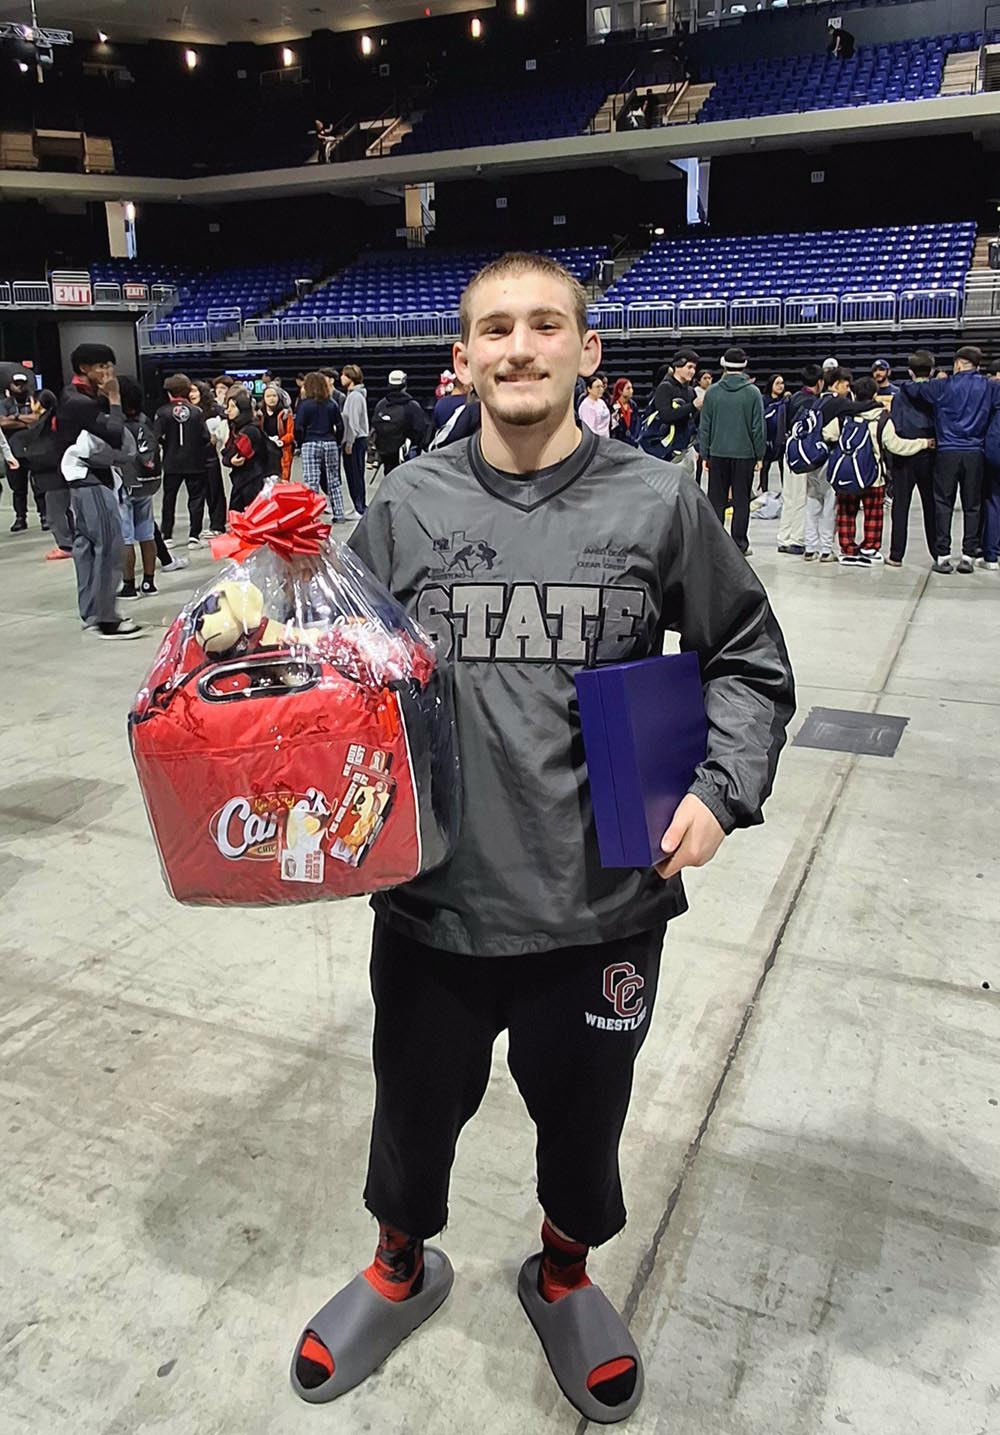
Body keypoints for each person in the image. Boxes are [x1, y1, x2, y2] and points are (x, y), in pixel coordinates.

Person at [289, 250, 795, 1425]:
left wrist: (719, 791)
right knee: (410, 1109)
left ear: (586, 350)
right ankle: (398, 1267)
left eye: (544, 325)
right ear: (460, 358)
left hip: (601, 904)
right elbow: (335, 674)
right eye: (494, 329)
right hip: (434, 900)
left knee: (585, 1123)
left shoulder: (659, 499)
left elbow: (747, 663)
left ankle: (562, 1276)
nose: (519, 347)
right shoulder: (404, 506)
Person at [56, 344, 142, 640]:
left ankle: (91, 612)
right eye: (100, 367)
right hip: (89, 479)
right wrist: (115, 398)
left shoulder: (82, 397)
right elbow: (115, 432)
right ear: (83, 369)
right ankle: (106, 618)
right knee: (109, 545)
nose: (108, 373)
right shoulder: (78, 401)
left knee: (86, 547)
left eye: (110, 365)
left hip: (84, 480)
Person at [899, 345, 996, 574]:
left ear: (958, 364)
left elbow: (912, 388)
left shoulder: (943, 385)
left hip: (947, 451)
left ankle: (943, 556)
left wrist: (927, 377)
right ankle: (968, 555)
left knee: (943, 503)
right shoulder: (989, 387)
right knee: (972, 505)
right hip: (975, 451)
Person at [699, 346, 765, 556]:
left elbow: (705, 425)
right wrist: (759, 454)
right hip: (745, 454)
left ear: (723, 365)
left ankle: (715, 544)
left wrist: (705, 453)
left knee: (716, 500)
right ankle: (739, 544)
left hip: (717, 452)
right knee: (741, 501)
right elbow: (758, 427)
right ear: (744, 366)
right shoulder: (753, 393)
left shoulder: (713, 392)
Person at [885, 351, 938, 568]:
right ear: (932, 371)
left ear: (909, 371)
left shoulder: (899, 395)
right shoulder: (937, 394)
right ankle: (938, 553)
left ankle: (896, 554)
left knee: (900, 506)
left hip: (904, 455)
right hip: (930, 454)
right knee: (931, 506)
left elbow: (895, 424)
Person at [154, 373, 212, 549]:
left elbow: (155, 437)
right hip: (195, 462)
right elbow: (205, 437)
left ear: (169, 393)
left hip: (172, 462)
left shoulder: (162, 412)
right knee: (196, 498)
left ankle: (167, 536)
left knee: (169, 498)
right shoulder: (197, 412)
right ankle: (194, 536)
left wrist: (167, 444)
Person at [117, 377, 161, 600]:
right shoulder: (146, 421)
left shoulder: (116, 423)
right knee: (146, 532)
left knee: (126, 536)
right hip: (148, 481)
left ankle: (128, 585)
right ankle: (149, 582)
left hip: (125, 483)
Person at [777, 363, 824, 555]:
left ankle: (784, 536)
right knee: (801, 497)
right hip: (803, 455)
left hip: (788, 452)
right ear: (820, 382)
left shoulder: (791, 398)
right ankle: (796, 539)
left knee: (789, 496)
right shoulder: (812, 402)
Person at [21, 389, 72, 560]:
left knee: (55, 513)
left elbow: (45, 450)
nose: (29, 405)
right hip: (58, 473)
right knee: (65, 510)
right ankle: (71, 542)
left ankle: (66, 545)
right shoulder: (51, 420)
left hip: (54, 475)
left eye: (32, 401)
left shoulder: (48, 424)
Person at [294, 371, 345, 520]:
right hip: (330, 442)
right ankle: (339, 513)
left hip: (310, 442)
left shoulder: (305, 405)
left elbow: (298, 427)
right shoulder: (332, 404)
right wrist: (337, 440)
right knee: (333, 480)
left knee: (312, 481)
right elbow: (340, 425)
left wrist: (301, 442)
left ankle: (313, 515)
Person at [2, 369, 44, 533]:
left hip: (34, 448)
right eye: (16, 384)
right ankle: (20, 518)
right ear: (11, 385)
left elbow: (38, 420)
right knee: (17, 487)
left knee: (39, 485)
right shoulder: (4, 404)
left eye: (22, 384)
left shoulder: (35, 400)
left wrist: (15, 418)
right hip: (14, 449)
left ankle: (44, 515)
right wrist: (26, 422)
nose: (20, 387)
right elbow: (2, 423)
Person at [652, 348, 702, 480]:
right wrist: (692, 406)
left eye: (694, 368)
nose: (692, 371)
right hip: (666, 449)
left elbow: (693, 422)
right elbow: (666, 416)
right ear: (677, 366)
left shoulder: (691, 391)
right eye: (689, 367)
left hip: (685, 447)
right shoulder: (665, 387)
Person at [223, 388, 269, 512]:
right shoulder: (237, 428)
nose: (228, 410)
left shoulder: (249, 430)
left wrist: (229, 459)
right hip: (242, 479)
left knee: (251, 515)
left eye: (232, 407)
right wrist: (229, 459)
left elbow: (237, 453)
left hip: (252, 480)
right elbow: (226, 452)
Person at [372, 369, 427, 474]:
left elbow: (375, 426)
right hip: (406, 456)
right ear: (404, 384)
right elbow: (420, 430)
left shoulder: (381, 405)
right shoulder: (412, 406)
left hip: (386, 454)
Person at [340, 364, 370, 517]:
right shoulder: (353, 395)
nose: (341, 377)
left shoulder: (355, 397)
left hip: (356, 440)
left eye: (344, 375)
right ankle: (357, 505)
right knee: (353, 474)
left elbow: (353, 422)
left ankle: (359, 507)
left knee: (355, 474)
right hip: (355, 439)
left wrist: (349, 442)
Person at [259, 383, 294, 483]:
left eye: (274, 396)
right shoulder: (260, 414)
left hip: (281, 451)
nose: (271, 399)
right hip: (265, 451)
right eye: (268, 396)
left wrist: (281, 441)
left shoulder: (286, 414)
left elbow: (291, 434)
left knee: (282, 482)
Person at [760, 374, 788, 494]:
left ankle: (786, 492)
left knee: (783, 467)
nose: (780, 386)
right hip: (767, 440)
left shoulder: (785, 402)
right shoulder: (763, 400)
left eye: (782, 383)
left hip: (781, 439)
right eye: (777, 383)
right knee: (765, 467)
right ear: (771, 385)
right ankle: (764, 492)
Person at [609, 378, 638, 445]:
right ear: (620, 391)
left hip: (631, 440)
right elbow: (614, 428)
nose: (631, 391)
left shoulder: (633, 405)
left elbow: (636, 423)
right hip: (619, 442)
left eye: (631, 388)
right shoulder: (614, 407)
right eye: (628, 388)